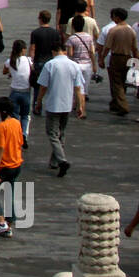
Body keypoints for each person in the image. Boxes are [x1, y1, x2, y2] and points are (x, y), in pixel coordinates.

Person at [35, 42, 86, 178]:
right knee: (61, 133)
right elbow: (78, 88)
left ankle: (62, 160)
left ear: (53, 51)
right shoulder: (74, 65)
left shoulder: (50, 65)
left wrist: (38, 101)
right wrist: (80, 105)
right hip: (67, 104)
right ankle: (54, 161)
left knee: (52, 133)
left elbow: (43, 86)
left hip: (53, 104)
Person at [0, 97, 25, 237]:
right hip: (17, 164)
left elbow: (1, 147)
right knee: (10, 193)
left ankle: (2, 222)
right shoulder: (17, 123)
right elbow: (20, 141)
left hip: (4, 165)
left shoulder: (1, 126)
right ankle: (9, 223)